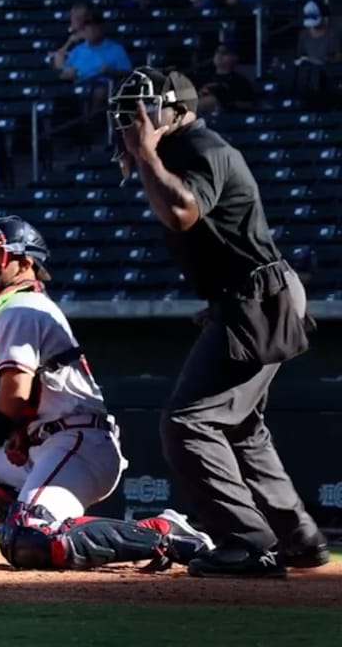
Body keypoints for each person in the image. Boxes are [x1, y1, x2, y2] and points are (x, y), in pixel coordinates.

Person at [110, 69, 326, 578]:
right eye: (126, 112)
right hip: (252, 294)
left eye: (143, 109)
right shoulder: (179, 150)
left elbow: (183, 212)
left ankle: (250, 543)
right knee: (243, 429)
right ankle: (299, 538)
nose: (131, 121)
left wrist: (145, 154)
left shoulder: (200, 146)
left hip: (260, 296)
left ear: (179, 111)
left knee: (188, 422)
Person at [0, 215, 213, 571]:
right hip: (51, 441)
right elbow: (31, 396)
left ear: (25, 261)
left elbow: (15, 394)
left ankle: (165, 533)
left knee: (29, 539)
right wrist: (8, 442)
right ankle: (42, 512)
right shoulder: (18, 305)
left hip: (77, 442)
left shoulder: (20, 306)